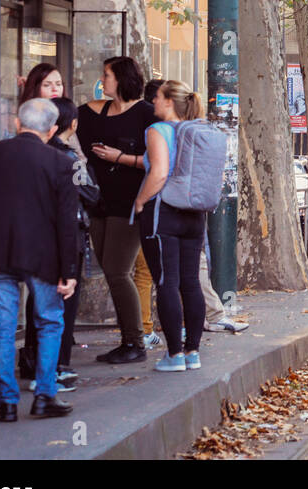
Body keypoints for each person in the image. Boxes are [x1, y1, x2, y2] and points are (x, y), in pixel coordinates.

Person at [0, 98, 79, 421]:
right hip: (43, 256)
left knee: (3, 327)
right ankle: (44, 396)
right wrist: (69, 270)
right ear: (51, 131)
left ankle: (7, 403)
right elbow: (67, 222)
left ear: (17, 124)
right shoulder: (61, 164)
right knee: (50, 322)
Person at [77, 56, 156, 364]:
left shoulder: (146, 115)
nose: (103, 80)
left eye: (107, 75)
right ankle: (130, 340)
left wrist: (119, 157)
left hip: (132, 204)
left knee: (117, 271)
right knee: (110, 270)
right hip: (100, 203)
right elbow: (67, 114)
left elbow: (157, 162)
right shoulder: (96, 111)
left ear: (122, 79)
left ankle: (135, 342)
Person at [21, 99, 99, 393]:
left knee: (38, 304)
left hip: (35, 235)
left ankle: (35, 364)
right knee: (64, 305)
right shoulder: (68, 157)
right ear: (73, 124)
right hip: (67, 236)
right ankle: (56, 368)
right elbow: (91, 194)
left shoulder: (36, 152)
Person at [134, 80, 210, 372]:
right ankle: (193, 352)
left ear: (168, 102)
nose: (153, 101)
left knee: (166, 281)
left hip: (163, 213)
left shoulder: (158, 131)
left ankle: (174, 355)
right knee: (190, 282)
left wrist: (141, 202)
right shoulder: (196, 130)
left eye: (157, 97)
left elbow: (160, 172)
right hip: (194, 213)